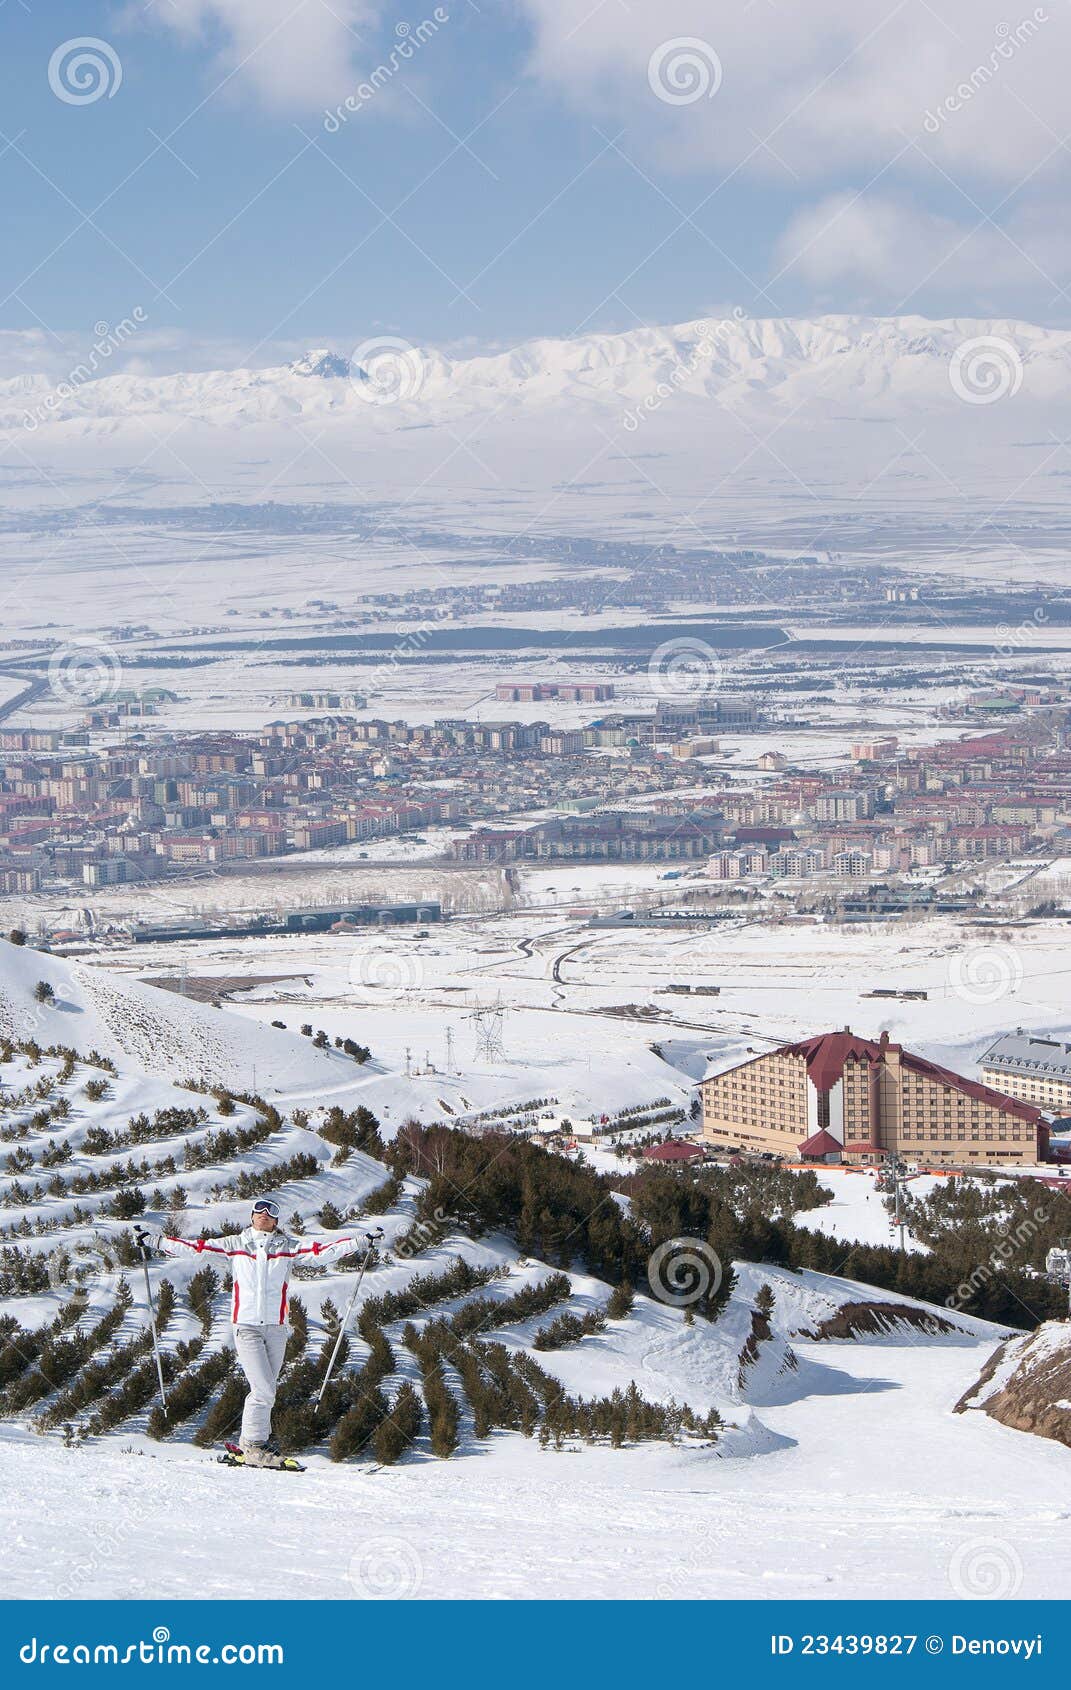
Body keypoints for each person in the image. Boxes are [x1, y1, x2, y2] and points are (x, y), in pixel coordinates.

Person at [135, 1199, 361, 1466]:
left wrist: (360, 1242)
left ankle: (255, 1443)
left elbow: (321, 1251)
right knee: (263, 1388)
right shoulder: (234, 1244)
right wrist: (155, 1241)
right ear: (252, 1216)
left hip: (276, 1328)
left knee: (268, 1389)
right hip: (247, 1326)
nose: (265, 1214)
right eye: (260, 1210)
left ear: (277, 1221)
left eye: (272, 1211)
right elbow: (195, 1248)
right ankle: (253, 1446)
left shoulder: (288, 1247)